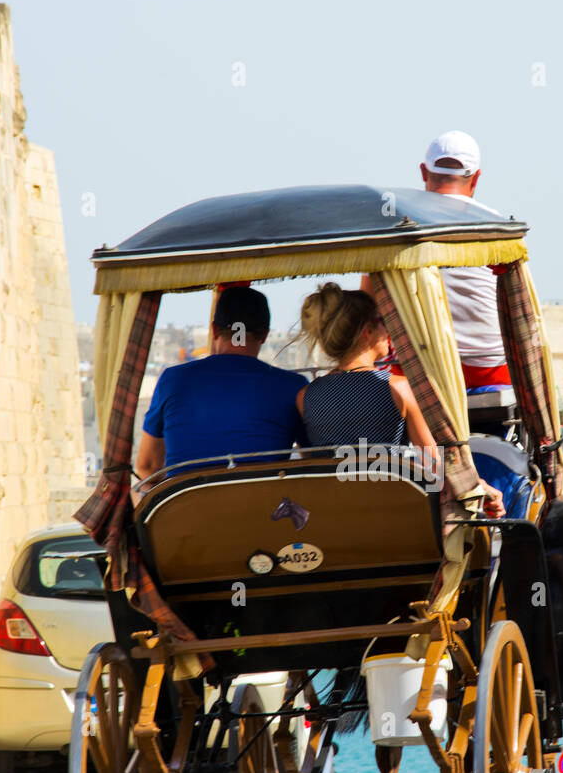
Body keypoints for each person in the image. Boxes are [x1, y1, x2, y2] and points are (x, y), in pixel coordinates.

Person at [297, 283, 505, 516]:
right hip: (391, 515)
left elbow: (311, 466)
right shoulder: (398, 388)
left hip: (334, 515)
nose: (389, 333)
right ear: (368, 331)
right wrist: (480, 488)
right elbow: (435, 466)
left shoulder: (306, 396)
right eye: (383, 322)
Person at [134, 285, 307, 481]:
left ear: (215, 330)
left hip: (185, 507)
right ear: (265, 335)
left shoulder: (172, 380)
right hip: (264, 507)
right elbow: (311, 460)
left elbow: (146, 466)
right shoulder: (294, 387)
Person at [419, 130, 512, 390]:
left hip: (422, 372)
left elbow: (370, 307)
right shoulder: (499, 228)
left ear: (424, 173)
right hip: (490, 370)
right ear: (477, 178)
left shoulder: (395, 226)